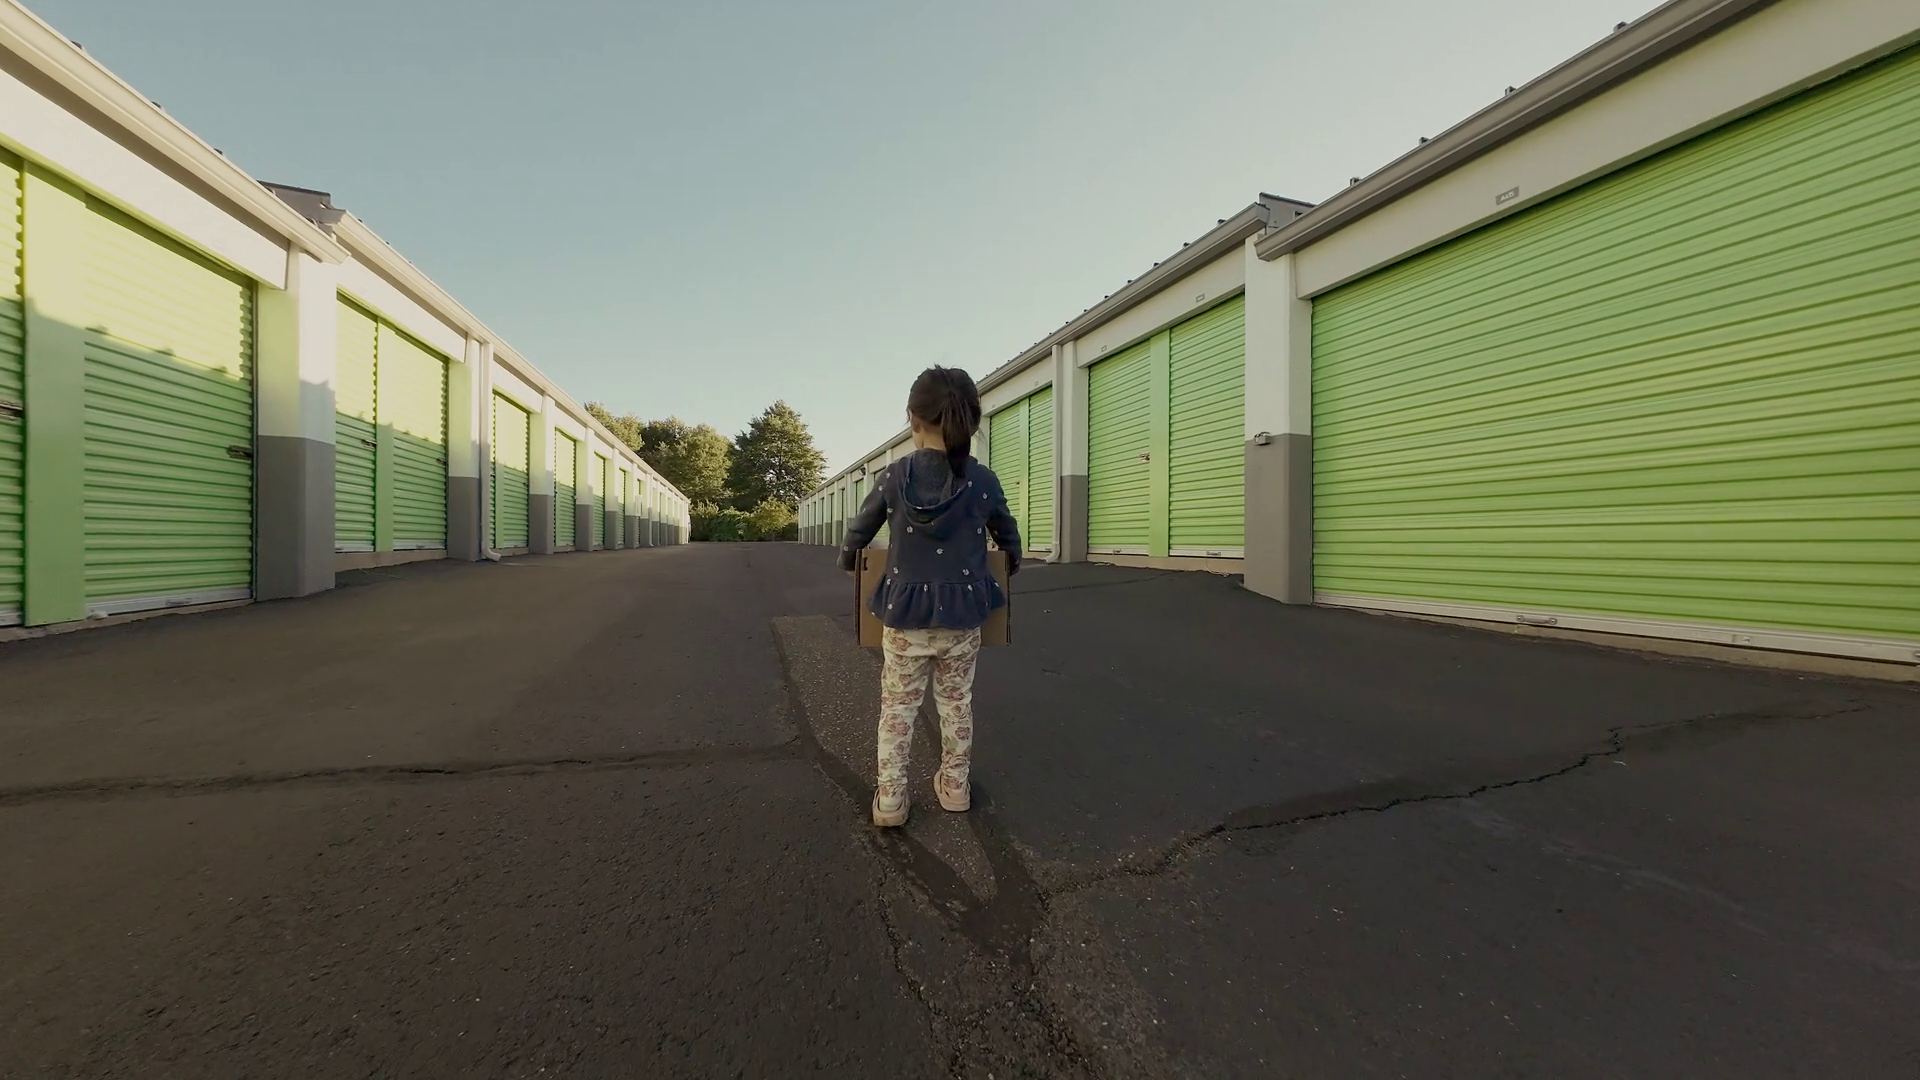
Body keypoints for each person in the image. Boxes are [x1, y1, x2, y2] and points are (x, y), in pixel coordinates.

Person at [839, 366, 1021, 828]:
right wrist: (1010, 560)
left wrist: (849, 559)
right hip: (963, 619)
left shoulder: (894, 477)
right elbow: (1006, 531)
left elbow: (860, 530)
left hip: (904, 619)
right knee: (956, 703)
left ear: (912, 419)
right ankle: (955, 786)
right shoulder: (982, 480)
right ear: (971, 424)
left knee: (898, 707)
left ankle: (891, 799)